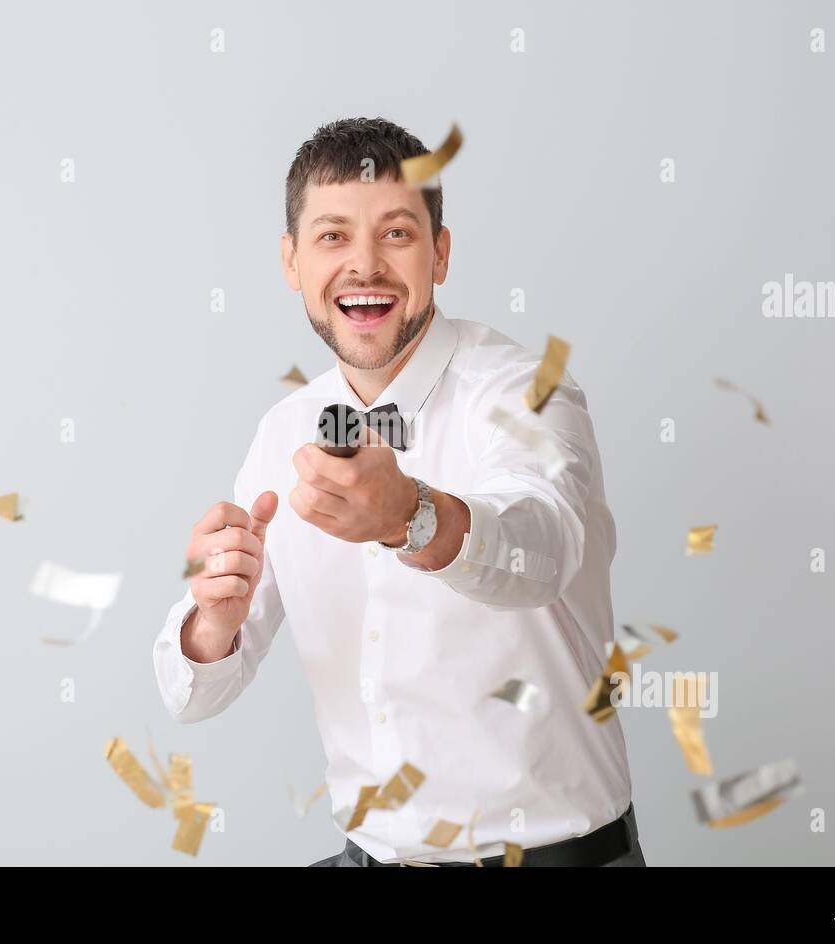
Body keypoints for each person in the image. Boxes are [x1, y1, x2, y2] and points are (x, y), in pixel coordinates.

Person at [153, 117, 645, 867]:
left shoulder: (522, 393)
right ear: (291, 261)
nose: (364, 266)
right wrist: (213, 619)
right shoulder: (283, 430)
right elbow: (191, 695)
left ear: (440, 253)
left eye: (396, 234)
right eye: (331, 237)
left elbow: (543, 550)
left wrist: (410, 516)